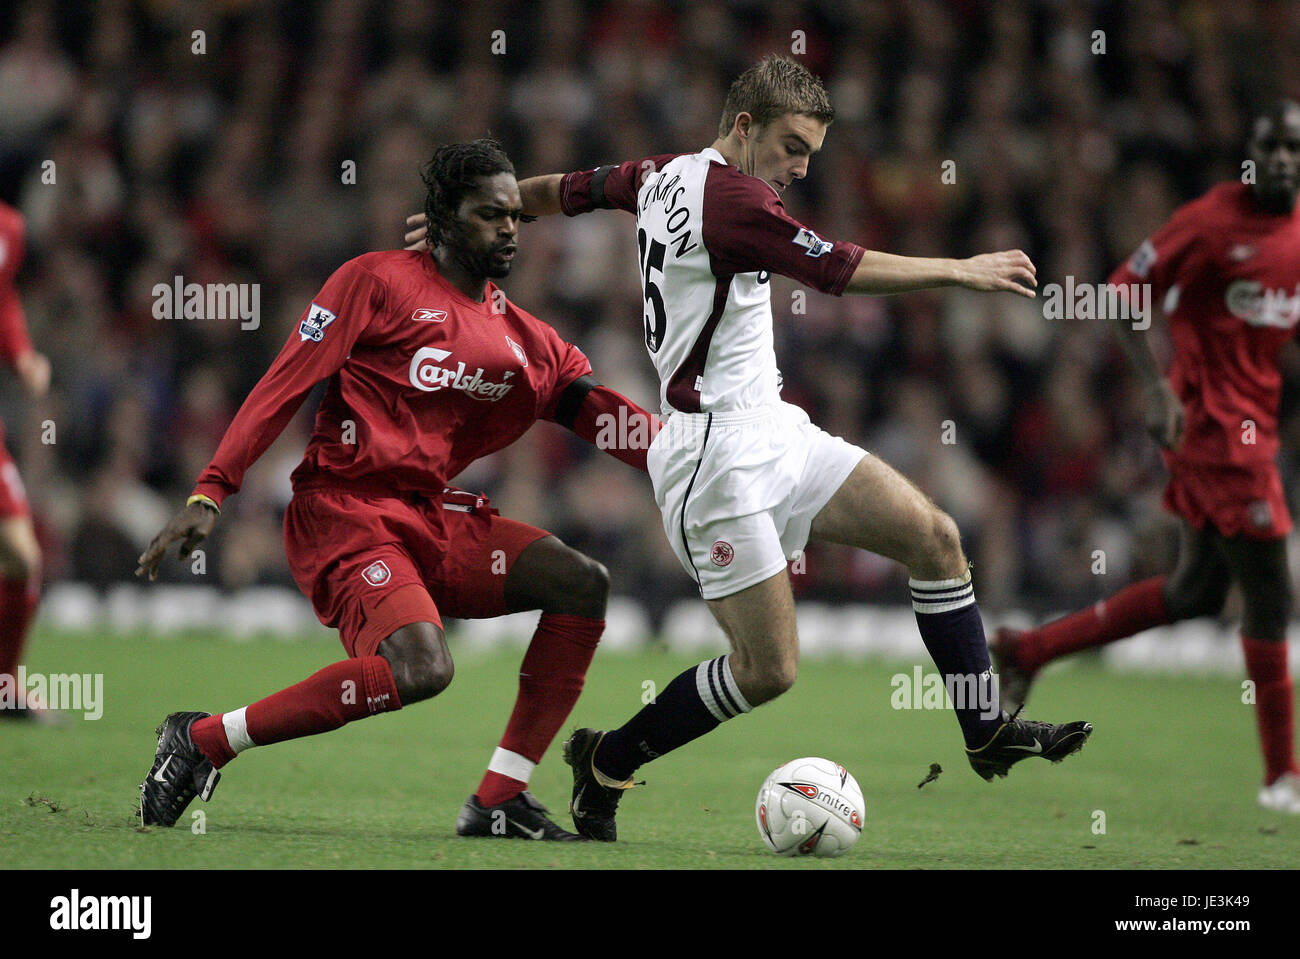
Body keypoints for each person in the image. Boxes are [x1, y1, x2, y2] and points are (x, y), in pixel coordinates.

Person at [409, 55, 1091, 843]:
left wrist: (477, 213)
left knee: (936, 537)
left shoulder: (659, 173)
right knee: (769, 671)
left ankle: (985, 730)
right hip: (714, 460)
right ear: (743, 128)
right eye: (792, 147)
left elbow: (557, 192)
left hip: (775, 428)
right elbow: (838, 268)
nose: (799, 168)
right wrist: (960, 270)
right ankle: (608, 757)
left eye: (810, 154)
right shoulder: (733, 199)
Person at [136, 139, 658, 839]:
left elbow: (604, 419)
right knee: (420, 666)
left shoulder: (526, 341)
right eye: (488, 215)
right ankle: (203, 740)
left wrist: (699, 464)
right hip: (345, 510)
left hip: (428, 518)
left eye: (513, 216)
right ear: (441, 219)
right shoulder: (374, 283)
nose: (507, 228)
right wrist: (211, 491)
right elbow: (284, 382)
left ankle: (500, 797)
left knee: (580, 583)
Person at [992, 100, 1300, 814]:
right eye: (1271, 146)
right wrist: (1158, 388)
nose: (1283, 159)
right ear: (1250, 153)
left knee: (1195, 590)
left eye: (1295, 147)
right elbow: (1118, 292)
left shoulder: (1293, 234)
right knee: (1272, 593)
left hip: (1253, 427)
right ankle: (1282, 775)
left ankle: (1031, 649)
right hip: (1211, 432)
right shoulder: (1212, 221)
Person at [0, 199, 53, 722]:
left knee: (22, 556)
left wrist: (21, 354)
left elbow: (2, 301)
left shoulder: (9, 228)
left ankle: (5, 686)